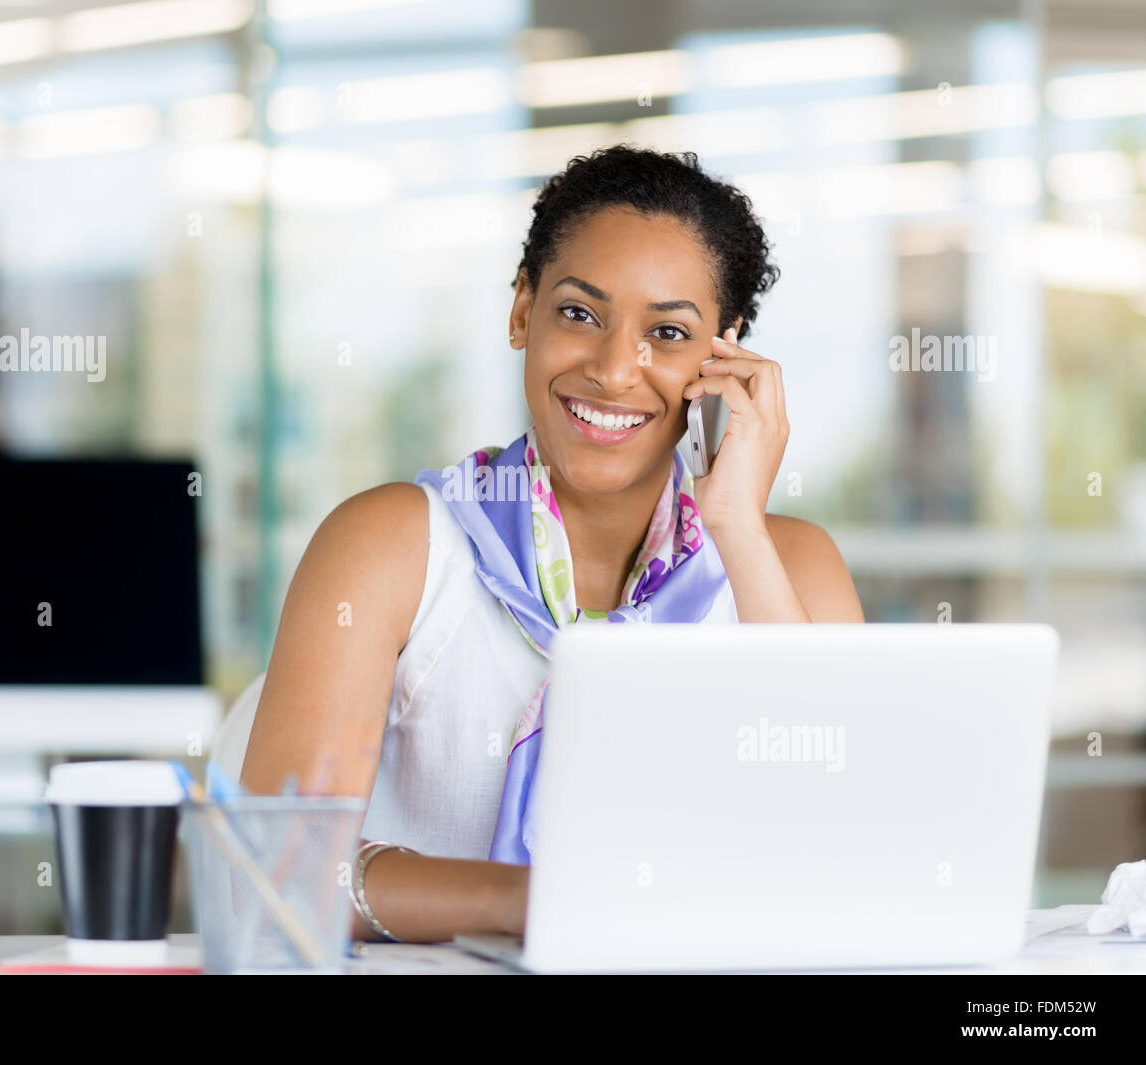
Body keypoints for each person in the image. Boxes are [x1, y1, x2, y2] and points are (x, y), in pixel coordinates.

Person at [240, 145, 864, 944]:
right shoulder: (390, 546)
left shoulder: (791, 569)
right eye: (578, 313)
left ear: (725, 355)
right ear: (520, 310)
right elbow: (272, 868)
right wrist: (534, 903)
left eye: (668, 332)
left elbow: (847, 858)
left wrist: (737, 527)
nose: (613, 369)